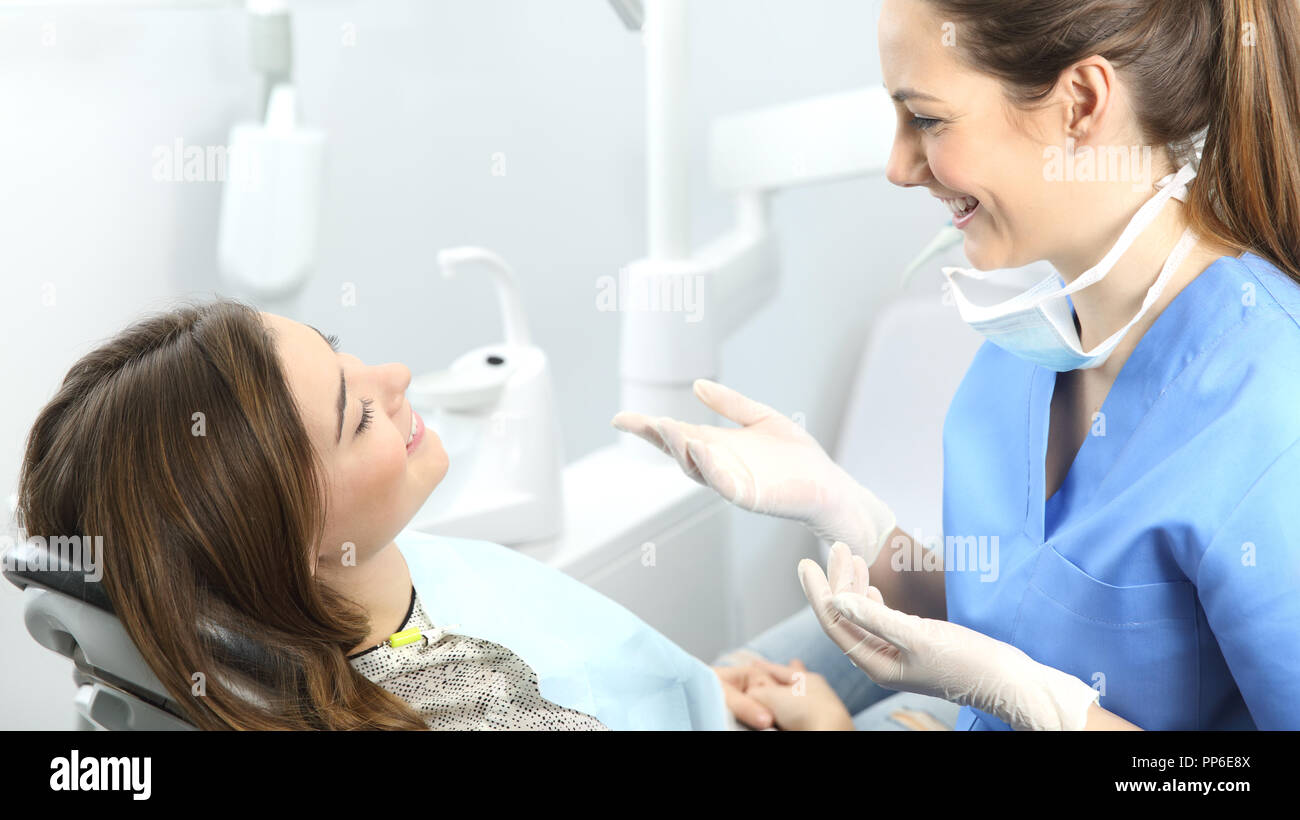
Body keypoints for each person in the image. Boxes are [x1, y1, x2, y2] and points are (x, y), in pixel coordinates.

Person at [615, 0, 1300, 730]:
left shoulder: (1271, 406)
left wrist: (1041, 705)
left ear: (1081, 102)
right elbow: (1009, 616)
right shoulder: (1029, 344)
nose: (899, 166)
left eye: (928, 120)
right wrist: (848, 513)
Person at [15, 298, 853, 730]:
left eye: (337, 346)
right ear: (290, 548)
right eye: (356, 415)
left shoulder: (360, 585)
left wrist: (690, 685)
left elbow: (584, 657)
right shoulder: (452, 704)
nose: (397, 375)